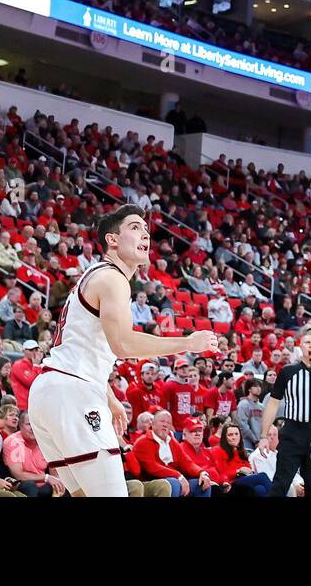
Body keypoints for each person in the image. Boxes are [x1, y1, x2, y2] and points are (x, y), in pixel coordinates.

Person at [28, 205, 218, 497]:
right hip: (72, 394)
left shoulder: (95, 276)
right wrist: (187, 343)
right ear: (112, 240)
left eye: (145, 228)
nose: (145, 233)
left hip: (50, 391)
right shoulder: (113, 278)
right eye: (134, 227)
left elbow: (82, 346)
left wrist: (109, 395)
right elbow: (123, 344)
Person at [261, 330, 311, 497]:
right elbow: (273, 403)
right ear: (300, 346)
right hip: (292, 432)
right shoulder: (287, 372)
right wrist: (263, 435)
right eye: (307, 342)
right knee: (281, 483)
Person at [3, 411, 65, 497]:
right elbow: (18, 475)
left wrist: (58, 483)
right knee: (30, 486)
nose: (33, 428)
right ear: (20, 426)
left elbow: (54, 470)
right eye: (29, 424)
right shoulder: (13, 442)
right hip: (21, 484)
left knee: (65, 484)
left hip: (44, 485)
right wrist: (46, 478)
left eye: (35, 424)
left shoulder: (45, 442)